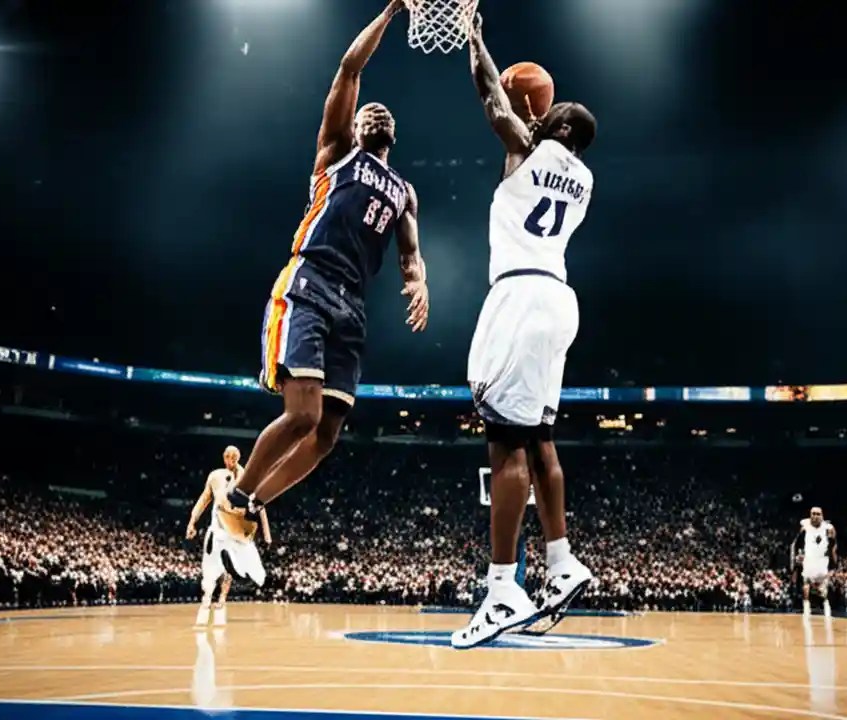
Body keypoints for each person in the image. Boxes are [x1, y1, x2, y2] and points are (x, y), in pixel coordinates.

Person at [226, 0, 429, 523]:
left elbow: (410, 252)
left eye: (384, 115)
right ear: (354, 128)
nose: (376, 113)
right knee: (302, 415)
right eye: (367, 112)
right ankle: (235, 497)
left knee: (328, 432)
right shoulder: (336, 152)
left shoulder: (404, 191)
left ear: (393, 135)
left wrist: (419, 282)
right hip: (311, 282)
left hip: (352, 305)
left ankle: (253, 506)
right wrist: (391, 11)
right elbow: (350, 68)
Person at [452, 13, 598, 650]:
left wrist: (477, 43)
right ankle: (561, 560)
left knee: (505, 444)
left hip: (519, 293)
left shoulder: (527, 149)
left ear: (555, 128)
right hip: (559, 299)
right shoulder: (585, 180)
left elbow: (494, 100)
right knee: (540, 438)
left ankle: (503, 586)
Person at [188, 446, 271, 627]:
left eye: (233, 456)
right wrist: (192, 521)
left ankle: (222, 598)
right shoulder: (215, 476)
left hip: (236, 528)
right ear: (223, 457)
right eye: (227, 456)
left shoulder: (248, 476)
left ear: (238, 458)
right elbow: (204, 499)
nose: (230, 459)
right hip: (217, 525)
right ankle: (207, 597)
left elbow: (260, 505)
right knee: (210, 566)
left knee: (230, 568)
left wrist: (267, 533)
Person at [793, 507, 837, 617]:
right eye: (813, 514)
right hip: (809, 558)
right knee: (806, 583)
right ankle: (806, 606)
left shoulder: (829, 528)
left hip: (822, 559)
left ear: (822, 516)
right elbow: (798, 542)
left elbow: (833, 546)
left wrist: (834, 563)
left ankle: (826, 605)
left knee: (824, 586)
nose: (815, 516)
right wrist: (799, 555)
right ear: (810, 515)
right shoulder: (804, 525)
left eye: (818, 514)